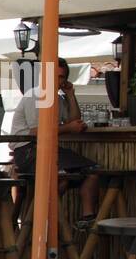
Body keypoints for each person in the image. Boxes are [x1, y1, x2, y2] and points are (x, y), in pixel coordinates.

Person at [8, 57, 100, 222]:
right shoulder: (35, 95)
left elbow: (73, 120)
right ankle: (42, 221)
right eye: (54, 76)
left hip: (47, 149)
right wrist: (68, 128)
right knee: (60, 179)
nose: (58, 81)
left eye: (61, 77)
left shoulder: (57, 98)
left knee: (92, 171)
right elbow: (36, 132)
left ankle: (88, 218)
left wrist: (71, 95)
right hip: (28, 151)